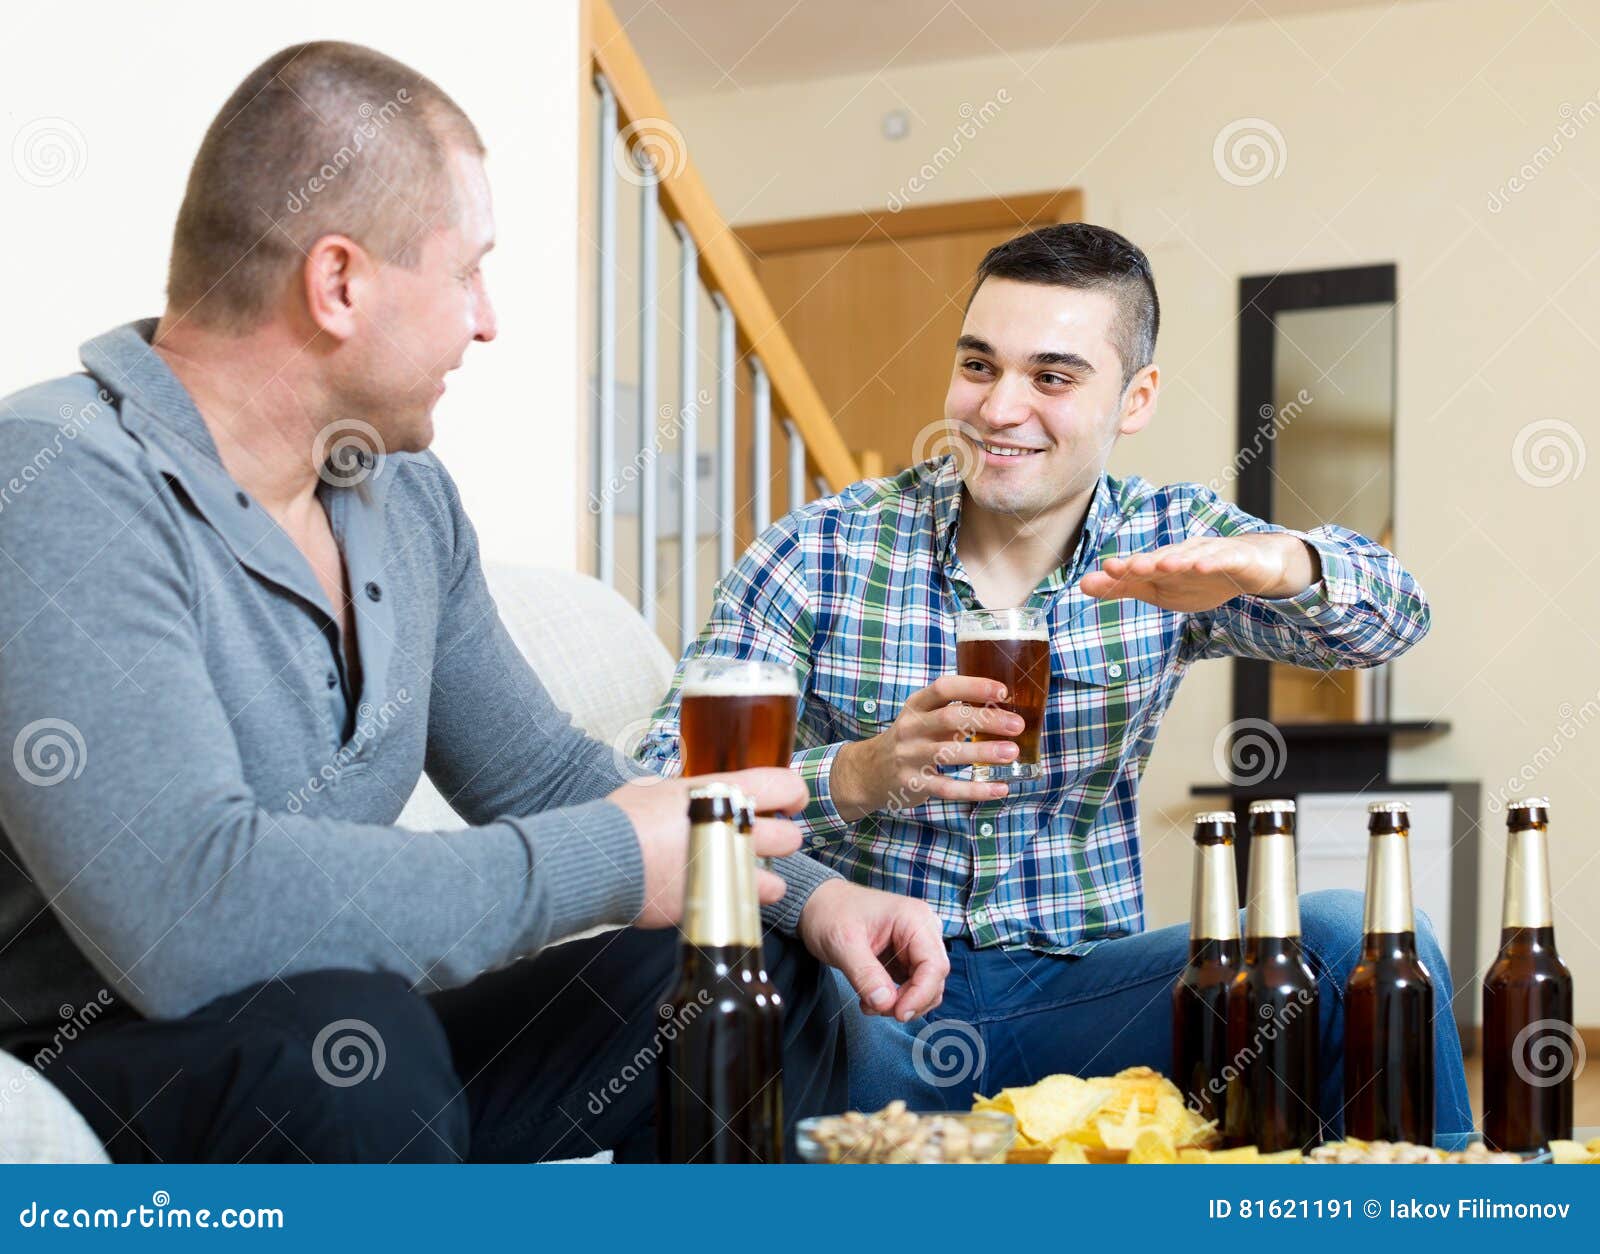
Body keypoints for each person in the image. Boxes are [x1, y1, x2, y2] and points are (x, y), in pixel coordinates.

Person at [0, 41, 929, 1164]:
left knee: (743, 969)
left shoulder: (398, 495)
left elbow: (537, 772)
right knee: (355, 1042)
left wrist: (807, 898)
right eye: (467, 273)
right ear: (339, 283)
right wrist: (606, 857)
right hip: (103, 1065)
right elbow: (185, 917)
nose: (486, 321)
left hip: (349, 1045)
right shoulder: (60, 479)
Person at [639, 222, 1471, 1141]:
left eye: (1052, 377)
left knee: (1354, 940)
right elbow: (660, 787)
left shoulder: (1169, 545)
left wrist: (1286, 563)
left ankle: (1430, 1208)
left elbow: (1394, 620)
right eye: (978, 366)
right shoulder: (821, 549)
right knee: (716, 991)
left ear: (1134, 399)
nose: (999, 409)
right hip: (867, 999)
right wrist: (857, 774)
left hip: (1086, 996)